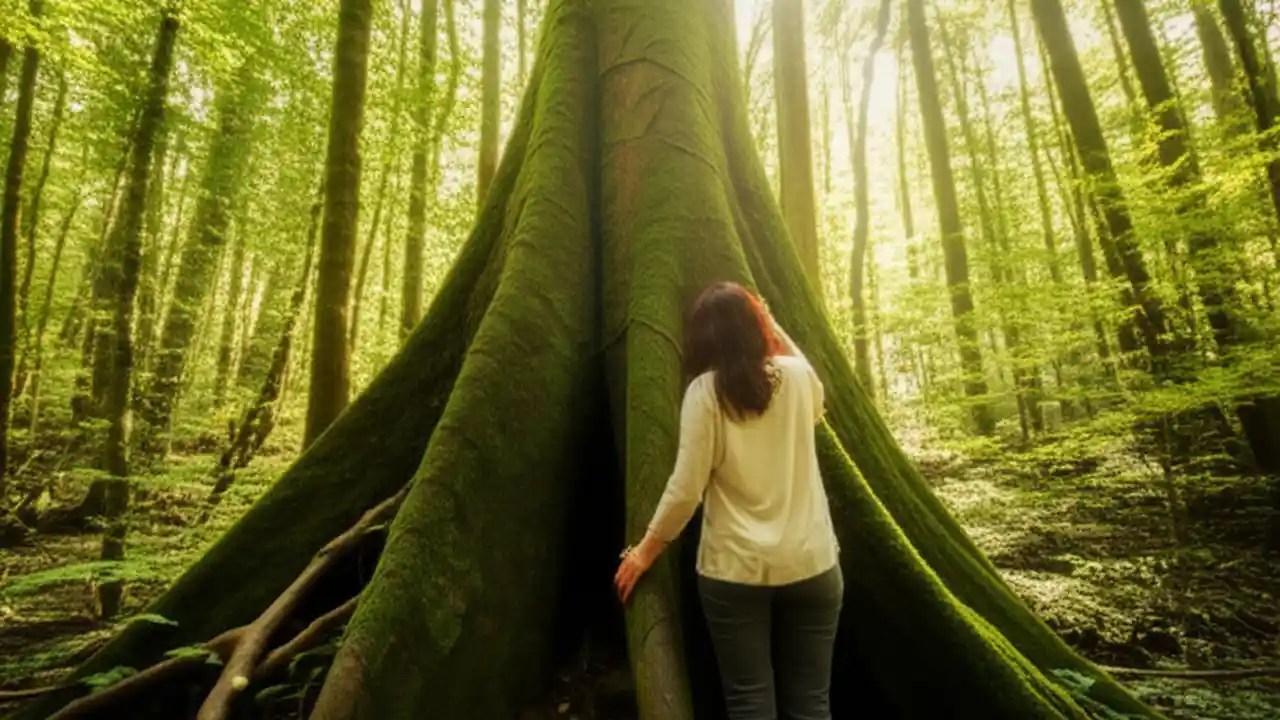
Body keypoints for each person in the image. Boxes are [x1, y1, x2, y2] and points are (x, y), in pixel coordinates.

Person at [613, 281, 843, 720]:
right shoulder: (796, 379)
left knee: (750, 702)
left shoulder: (705, 394)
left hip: (735, 572)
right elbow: (816, 402)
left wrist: (645, 551)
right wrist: (769, 324)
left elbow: (685, 489)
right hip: (813, 565)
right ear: (757, 328)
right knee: (812, 703)